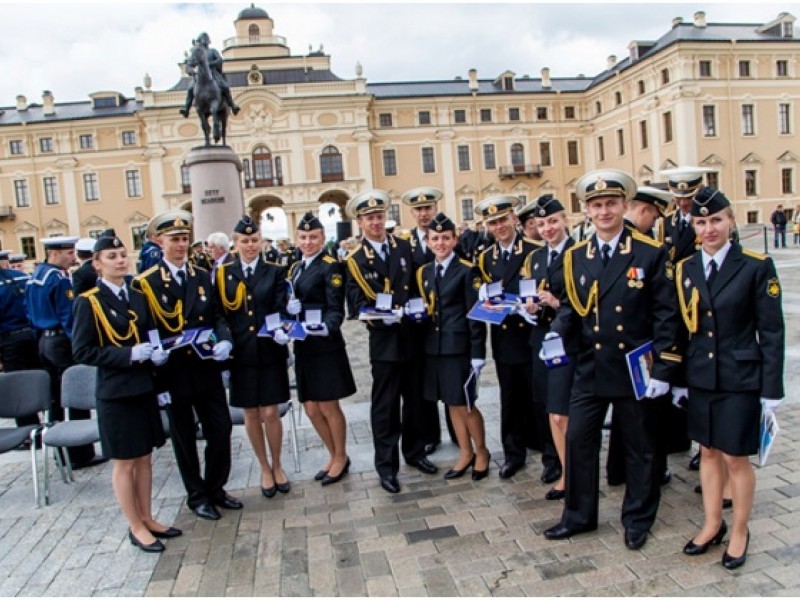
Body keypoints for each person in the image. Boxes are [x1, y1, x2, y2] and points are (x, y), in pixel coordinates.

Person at [542, 169, 682, 551]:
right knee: (579, 440)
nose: (604, 211)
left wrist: (665, 368)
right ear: (586, 211)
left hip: (635, 368)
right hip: (590, 366)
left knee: (640, 447)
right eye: (596, 205)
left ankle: (637, 518)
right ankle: (579, 516)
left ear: (625, 206)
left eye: (610, 204)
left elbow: (666, 315)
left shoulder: (649, 254)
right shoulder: (575, 257)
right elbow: (574, 307)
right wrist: (556, 333)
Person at [674, 187, 784, 569]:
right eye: (701, 222)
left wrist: (772, 390)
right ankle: (712, 523)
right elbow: (681, 327)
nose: (709, 229)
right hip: (701, 375)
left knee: (736, 457)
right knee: (706, 451)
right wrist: (676, 378)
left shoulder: (755, 265)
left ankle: (739, 529)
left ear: (731, 221)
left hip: (740, 376)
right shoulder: (685, 268)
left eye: (716, 220)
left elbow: (772, 332)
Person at [71, 234, 180, 553]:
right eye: (111, 256)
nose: (120, 260)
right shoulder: (88, 301)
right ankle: (135, 526)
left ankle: (147, 516)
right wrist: (128, 355)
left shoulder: (136, 295)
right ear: (97, 264)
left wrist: (157, 358)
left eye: (122, 254)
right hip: (116, 392)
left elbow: (149, 334)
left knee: (145, 457)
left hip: (143, 387)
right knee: (124, 462)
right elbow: (83, 351)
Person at [132, 210, 240, 521]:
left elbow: (218, 315)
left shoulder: (201, 275)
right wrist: (153, 356)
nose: (181, 245)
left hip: (205, 366)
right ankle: (197, 495)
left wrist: (225, 341)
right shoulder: (146, 283)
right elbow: (144, 325)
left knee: (220, 428)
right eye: (174, 240)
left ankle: (216, 487)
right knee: (183, 437)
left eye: (184, 239)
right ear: (158, 241)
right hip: (173, 371)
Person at [345, 189, 436, 494]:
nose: (376, 222)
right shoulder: (356, 260)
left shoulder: (404, 246)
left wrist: (419, 305)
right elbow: (356, 302)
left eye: (379, 216)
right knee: (385, 407)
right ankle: (386, 466)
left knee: (415, 402)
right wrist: (376, 316)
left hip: (411, 336)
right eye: (370, 218)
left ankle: (415, 452)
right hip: (384, 343)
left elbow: (421, 283)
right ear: (360, 221)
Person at [608, 186, 685, 488]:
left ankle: (618, 469)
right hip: (640, 347)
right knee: (646, 419)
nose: (654, 222)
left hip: (617, 350)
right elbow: (663, 309)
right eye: (653, 215)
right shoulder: (645, 248)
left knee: (624, 418)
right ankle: (646, 472)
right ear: (642, 210)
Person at [476, 195, 556, 482]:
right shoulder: (486, 258)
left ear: (514, 219)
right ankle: (513, 454)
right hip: (505, 337)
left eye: (503, 220)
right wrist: (484, 298)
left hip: (532, 332)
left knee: (540, 399)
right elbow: (484, 292)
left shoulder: (534, 250)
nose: (500, 226)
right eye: (493, 222)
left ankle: (551, 456)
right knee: (510, 398)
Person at [214, 215, 292, 497]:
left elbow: (280, 306)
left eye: (254, 240)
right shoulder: (223, 273)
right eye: (244, 241)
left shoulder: (274, 270)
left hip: (269, 349)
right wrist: (223, 339)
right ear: (235, 244)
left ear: (261, 241)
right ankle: (263, 467)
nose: (250, 245)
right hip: (240, 352)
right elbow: (219, 313)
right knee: (250, 412)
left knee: (271, 412)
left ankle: (278, 464)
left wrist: (283, 324)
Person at [417, 213, 489, 480]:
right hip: (434, 348)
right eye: (435, 239)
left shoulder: (467, 270)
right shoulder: (424, 272)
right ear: (427, 241)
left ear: (455, 239)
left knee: (466, 403)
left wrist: (478, 353)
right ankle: (465, 453)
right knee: (450, 403)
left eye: (445, 238)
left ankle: (481, 451)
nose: (440, 243)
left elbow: (476, 313)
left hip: (459, 347)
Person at [288, 212, 356, 486]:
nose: (308, 242)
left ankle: (340, 456)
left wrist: (328, 326)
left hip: (325, 345)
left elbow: (335, 306)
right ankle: (332, 454)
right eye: (303, 237)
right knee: (311, 408)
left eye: (313, 237)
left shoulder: (330, 265)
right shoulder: (295, 268)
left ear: (323, 238)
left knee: (328, 406)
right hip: (304, 344)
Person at [25, 236, 101, 468]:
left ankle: (61, 454)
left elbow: (28, 312)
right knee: (75, 394)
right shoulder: (58, 279)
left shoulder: (35, 277)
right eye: (69, 253)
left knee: (55, 399)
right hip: (61, 342)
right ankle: (80, 454)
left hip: (44, 341)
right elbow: (68, 316)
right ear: (54, 253)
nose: (73, 258)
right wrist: (79, 343)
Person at [521, 195, 576, 500]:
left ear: (564, 220)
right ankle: (559, 464)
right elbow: (529, 292)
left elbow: (584, 299)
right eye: (541, 224)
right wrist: (528, 307)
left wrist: (557, 303)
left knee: (563, 412)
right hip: (541, 339)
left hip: (568, 341)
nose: (547, 229)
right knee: (548, 407)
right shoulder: (536, 259)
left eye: (552, 221)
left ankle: (571, 472)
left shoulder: (577, 253)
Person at [660, 166, 710, 473]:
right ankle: (680, 437)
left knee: (697, 377)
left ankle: (704, 446)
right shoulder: (668, 222)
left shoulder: (707, 219)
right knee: (678, 374)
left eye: (688, 198)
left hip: (697, 303)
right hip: (675, 303)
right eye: (678, 198)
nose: (683, 204)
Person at [401, 187, 456, 456]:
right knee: (424, 383)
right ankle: (429, 435)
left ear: (435, 209)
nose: (424, 214)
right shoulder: (403, 244)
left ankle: (458, 432)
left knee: (450, 379)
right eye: (419, 210)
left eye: (428, 208)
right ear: (411, 213)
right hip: (416, 326)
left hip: (446, 323)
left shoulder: (449, 236)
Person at [0, 249, 42, 429]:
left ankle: (29, 431)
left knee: (19, 387)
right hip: (32, 334)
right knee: (40, 379)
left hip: (9, 340)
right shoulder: (22, 277)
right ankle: (49, 421)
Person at [180, 32, 240, 117]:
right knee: (190, 89)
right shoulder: (197, 52)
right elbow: (189, 64)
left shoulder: (212, 51)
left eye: (206, 39)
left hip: (213, 73)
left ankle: (232, 105)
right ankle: (186, 108)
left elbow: (219, 60)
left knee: (225, 86)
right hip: (200, 75)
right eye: (203, 39)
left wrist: (209, 64)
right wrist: (190, 71)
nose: (205, 41)